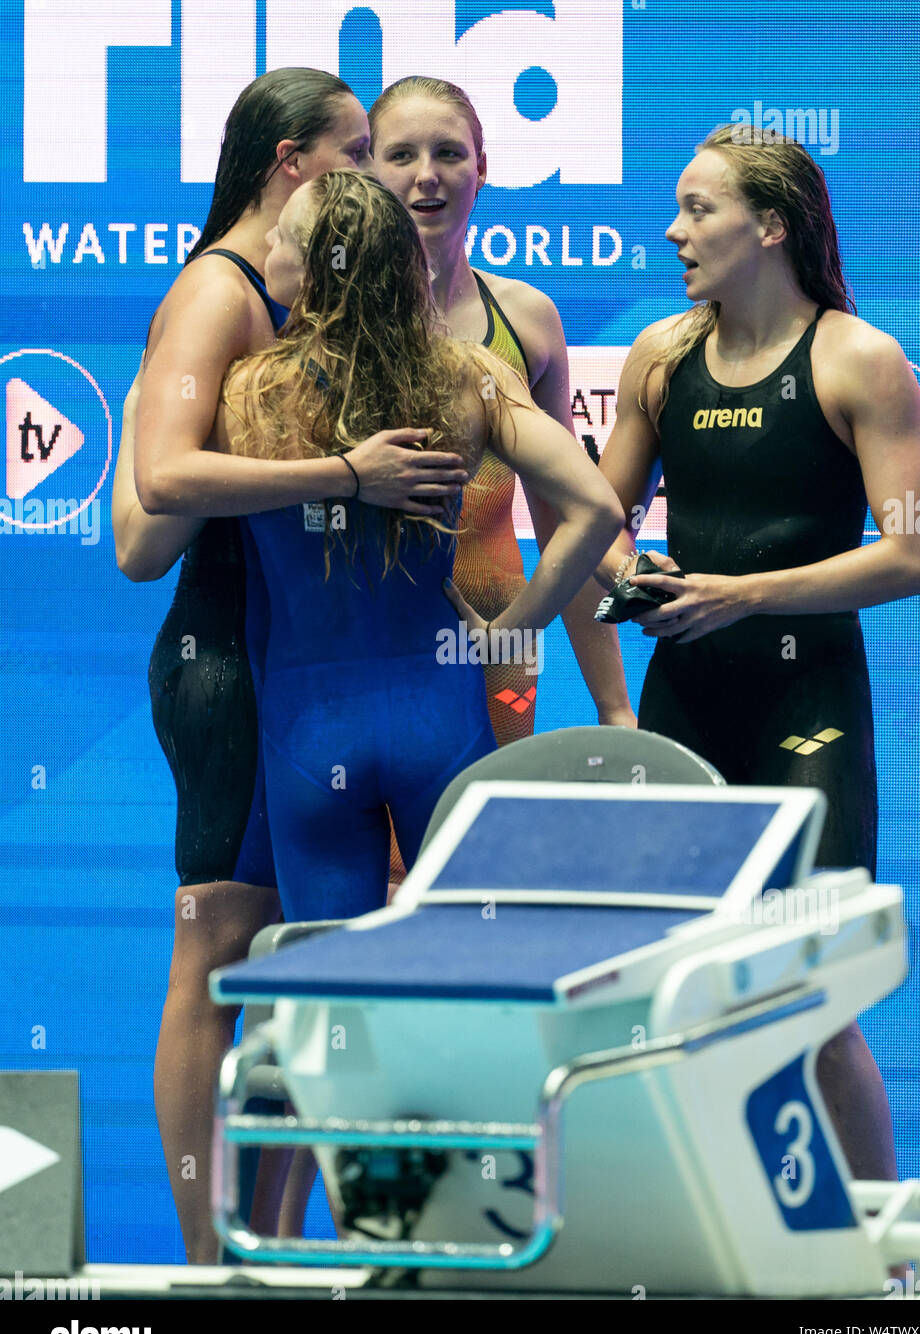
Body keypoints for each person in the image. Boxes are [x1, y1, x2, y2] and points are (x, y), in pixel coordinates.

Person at [111, 67, 471, 1264]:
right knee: (217, 948)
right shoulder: (217, 294)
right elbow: (148, 511)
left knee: (285, 967)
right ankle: (209, 1261)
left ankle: (273, 1247)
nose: (378, 174)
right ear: (289, 162)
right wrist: (342, 476)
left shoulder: (307, 302)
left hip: (300, 666)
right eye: (359, 149)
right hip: (227, 657)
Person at [595, 124, 920, 1182]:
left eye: (697, 210)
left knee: (811, 995)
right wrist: (624, 568)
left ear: (770, 225)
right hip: (684, 701)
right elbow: (596, 518)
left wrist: (740, 593)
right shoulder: (659, 355)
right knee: (673, 994)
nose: (672, 231)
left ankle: (885, 1266)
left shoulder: (856, 359)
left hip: (808, 710)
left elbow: (913, 552)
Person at [207, 167, 623, 926]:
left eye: (284, 234)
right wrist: (516, 629)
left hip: (310, 723)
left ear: (315, 269)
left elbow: (161, 503)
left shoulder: (245, 392)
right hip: (442, 710)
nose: (267, 240)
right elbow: (595, 507)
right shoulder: (469, 376)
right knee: (461, 970)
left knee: (328, 986)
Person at [369, 76, 635, 750]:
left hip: (496, 629)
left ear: (482, 169)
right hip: (359, 636)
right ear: (366, 170)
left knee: (483, 838)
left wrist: (615, 710)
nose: (427, 176)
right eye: (401, 156)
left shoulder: (526, 319)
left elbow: (564, 523)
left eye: (449, 154)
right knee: (388, 857)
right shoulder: (324, 323)